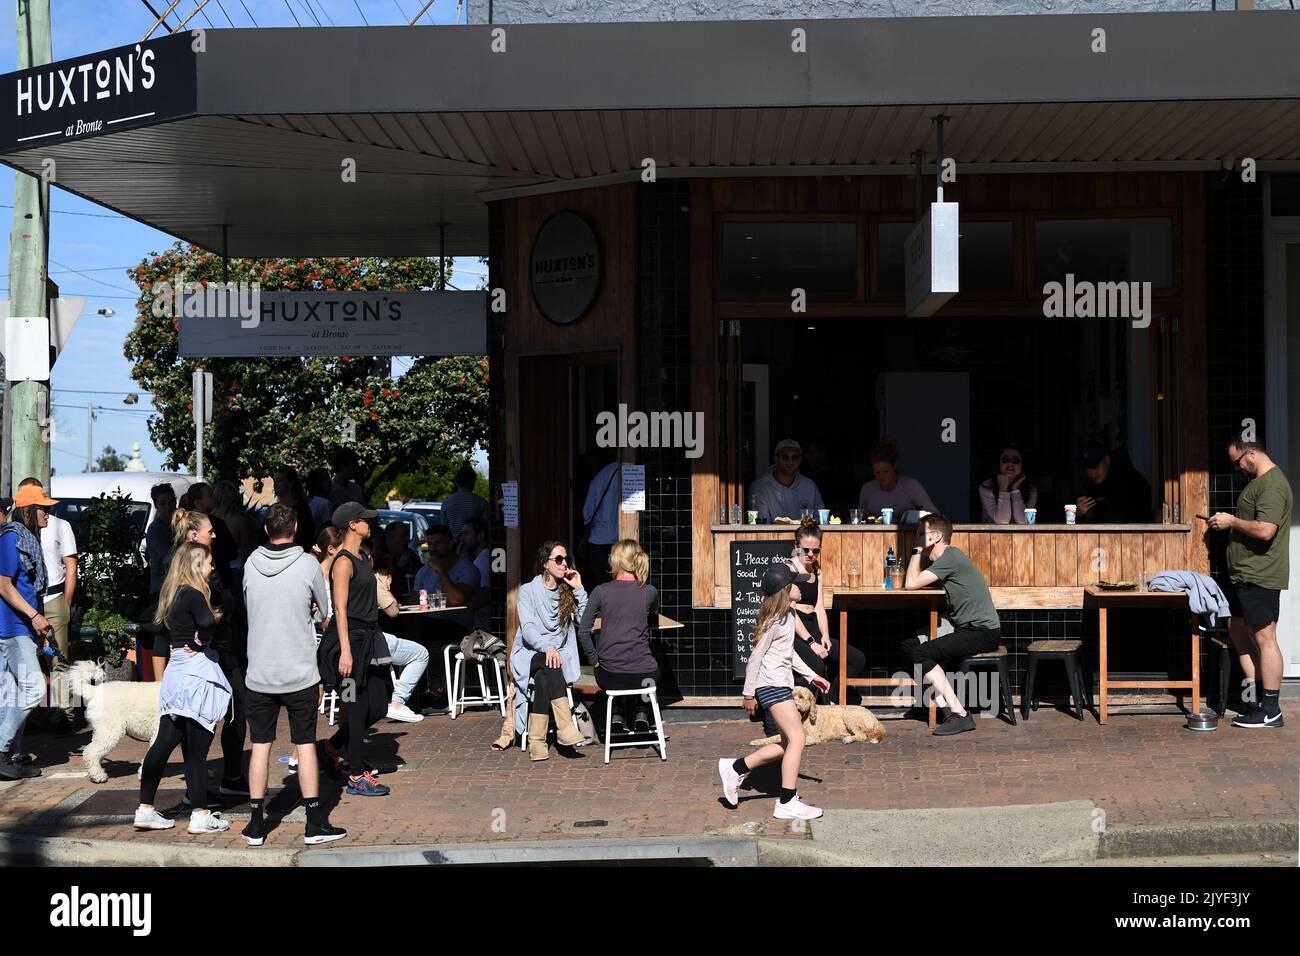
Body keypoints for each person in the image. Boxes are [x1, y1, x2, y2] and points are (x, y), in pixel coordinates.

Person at [240, 502, 346, 846]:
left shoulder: (250, 564)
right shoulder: (306, 564)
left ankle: (256, 823)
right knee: (304, 745)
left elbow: (248, 604)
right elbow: (324, 612)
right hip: (300, 671)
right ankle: (314, 822)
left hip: (259, 671)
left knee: (259, 746)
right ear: (296, 527)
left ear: (266, 529)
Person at [717, 562, 831, 821]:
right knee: (798, 739)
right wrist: (748, 694)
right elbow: (755, 658)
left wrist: (813, 676)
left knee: (788, 742)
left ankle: (735, 767)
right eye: (795, 583)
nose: (800, 587)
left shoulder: (788, 616)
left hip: (781, 684)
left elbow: (788, 654)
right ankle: (787, 801)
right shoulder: (774, 620)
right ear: (785, 589)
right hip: (770, 686)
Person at [132, 542, 233, 833]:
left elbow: (150, 625)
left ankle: (145, 808)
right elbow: (205, 621)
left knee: (164, 742)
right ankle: (201, 814)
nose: (213, 568)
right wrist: (202, 639)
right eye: (209, 562)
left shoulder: (172, 593)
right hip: (196, 673)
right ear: (197, 565)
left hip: (176, 672)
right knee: (196, 749)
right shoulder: (194, 593)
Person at [1208, 433, 1292, 729]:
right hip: (1244, 574)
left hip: (1260, 574)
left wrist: (1231, 521)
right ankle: (1256, 703)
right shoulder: (1258, 483)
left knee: (1265, 638)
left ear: (1251, 454)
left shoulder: (1271, 486)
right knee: (1238, 630)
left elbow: (1266, 530)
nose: (1237, 468)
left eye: (1237, 462)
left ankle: (1271, 710)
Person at [166, 506, 249, 797]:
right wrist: (201, 637)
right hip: (212, 650)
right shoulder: (197, 563)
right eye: (210, 531)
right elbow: (212, 607)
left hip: (214, 647)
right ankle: (211, 785)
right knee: (220, 713)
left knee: (208, 717)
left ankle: (211, 782)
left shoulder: (191, 560)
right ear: (194, 535)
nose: (214, 535)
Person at [317, 502, 393, 796]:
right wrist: (346, 651)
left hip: (368, 642)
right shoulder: (344, 561)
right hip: (346, 645)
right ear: (352, 525)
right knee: (356, 706)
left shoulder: (362, 558)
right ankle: (356, 775)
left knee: (378, 705)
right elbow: (339, 608)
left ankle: (333, 747)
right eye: (365, 521)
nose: (369, 524)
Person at [903, 513, 1002, 736]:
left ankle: (960, 713)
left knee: (921, 653)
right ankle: (945, 710)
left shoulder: (950, 557)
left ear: (936, 536)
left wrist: (917, 550)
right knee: (912, 645)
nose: (916, 537)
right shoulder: (947, 560)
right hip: (967, 628)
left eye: (921, 533)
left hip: (982, 632)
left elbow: (910, 583)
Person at [509, 541, 588, 761]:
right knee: (548, 660)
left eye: (566, 560)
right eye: (559, 559)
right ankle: (565, 726)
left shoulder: (567, 591)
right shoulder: (527, 591)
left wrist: (579, 588)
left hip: (556, 656)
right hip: (529, 654)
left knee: (545, 674)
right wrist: (548, 647)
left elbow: (584, 621)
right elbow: (529, 629)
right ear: (545, 564)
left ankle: (537, 741)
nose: (564, 564)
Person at [0, 485, 56, 780]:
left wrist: (40, 625)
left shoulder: (25, 539)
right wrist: (34, 616)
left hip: (22, 628)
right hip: (13, 628)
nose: (48, 513)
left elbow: (28, 589)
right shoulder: (12, 539)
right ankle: (2, 751)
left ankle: (11, 757)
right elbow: (4, 585)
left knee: (10, 696)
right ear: (27, 511)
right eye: (43, 508)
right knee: (34, 689)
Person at [578, 539, 660, 735]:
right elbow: (653, 615)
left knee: (621, 664)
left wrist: (594, 661)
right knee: (650, 660)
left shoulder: (600, 591)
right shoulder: (649, 591)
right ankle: (642, 712)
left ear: (615, 561)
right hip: (644, 676)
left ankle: (617, 714)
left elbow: (583, 631)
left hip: (609, 677)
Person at [18, 478, 78, 733]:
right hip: (26, 602)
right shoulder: (16, 530)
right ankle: (32, 716)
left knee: (58, 661)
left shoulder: (60, 525)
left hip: (53, 599)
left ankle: (64, 715)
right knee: (27, 661)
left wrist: (64, 603)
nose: (46, 510)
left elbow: (71, 566)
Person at [786, 519, 865, 711]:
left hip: (813, 624)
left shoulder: (817, 570)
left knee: (855, 658)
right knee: (817, 666)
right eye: (806, 550)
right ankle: (808, 713)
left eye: (816, 551)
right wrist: (811, 642)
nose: (811, 554)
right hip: (795, 629)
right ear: (797, 546)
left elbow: (819, 606)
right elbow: (791, 611)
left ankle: (831, 702)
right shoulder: (788, 569)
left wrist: (826, 637)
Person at [371, 551, 429, 724]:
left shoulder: (337, 577)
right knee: (421, 653)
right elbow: (393, 611)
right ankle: (397, 703)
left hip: (343, 641)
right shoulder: (372, 580)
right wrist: (383, 585)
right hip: (370, 639)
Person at [413, 524, 479, 637]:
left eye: (438, 543)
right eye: (430, 544)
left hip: (458, 629)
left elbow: (456, 600)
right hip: (428, 625)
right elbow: (415, 603)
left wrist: (441, 571)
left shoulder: (468, 569)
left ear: (450, 543)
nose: (433, 548)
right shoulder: (423, 572)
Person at [750, 439, 825, 523]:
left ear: (800, 460)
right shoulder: (760, 488)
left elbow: (821, 519)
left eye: (794, 457)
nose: (790, 461)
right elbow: (761, 524)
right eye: (785, 457)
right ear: (776, 459)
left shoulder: (810, 486)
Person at [1076, 442, 1153, 523]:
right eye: (1088, 468)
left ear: (1107, 460)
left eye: (1095, 466)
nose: (1092, 473)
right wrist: (1079, 514)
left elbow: (1120, 519)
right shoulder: (1089, 485)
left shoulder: (1129, 480)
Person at [858, 440, 937, 518]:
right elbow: (859, 516)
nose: (881, 476)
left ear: (894, 468)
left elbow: (934, 514)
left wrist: (911, 514)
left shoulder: (911, 486)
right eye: (877, 472)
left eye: (885, 471)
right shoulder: (867, 488)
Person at [580, 451, 620, 583]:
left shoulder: (600, 477)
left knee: (603, 583)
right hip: (621, 540)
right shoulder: (631, 471)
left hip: (599, 539)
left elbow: (587, 512)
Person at [979, 444, 1038, 524]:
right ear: (999, 464)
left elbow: (1023, 521)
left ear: (1022, 465)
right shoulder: (987, 487)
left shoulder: (1031, 490)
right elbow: (1002, 521)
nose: (1010, 463)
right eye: (1005, 459)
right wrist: (1003, 489)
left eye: (1015, 460)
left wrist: (1015, 491)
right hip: (991, 536)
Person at [440, 463, 489, 540]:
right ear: (473, 482)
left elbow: (444, 530)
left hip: (454, 547)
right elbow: (486, 527)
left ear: (456, 482)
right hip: (475, 546)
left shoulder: (446, 503)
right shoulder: (481, 502)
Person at [460, 516, 492, 633]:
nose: (462, 539)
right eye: (462, 534)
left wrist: (463, 611)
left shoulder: (482, 560)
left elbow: (484, 593)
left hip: (483, 623)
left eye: (467, 534)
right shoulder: (480, 558)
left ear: (480, 536)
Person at [273, 466, 317, 551]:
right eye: (274, 481)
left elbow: (307, 536)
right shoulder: (274, 509)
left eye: (279, 480)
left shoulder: (302, 509)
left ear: (290, 483)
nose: (275, 484)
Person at [145, 482, 177, 595]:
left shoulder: (177, 525)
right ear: (156, 505)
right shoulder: (155, 529)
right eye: (163, 503)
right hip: (161, 589)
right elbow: (170, 557)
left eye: (171, 502)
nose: (168, 506)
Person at [213, 479, 255, 562]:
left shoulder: (210, 519)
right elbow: (246, 549)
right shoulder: (240, 520)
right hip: (235, 565)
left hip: (216, 565)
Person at [306, 468, 335, 532]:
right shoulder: (324, 503)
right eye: (325, 479)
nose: (329, 482)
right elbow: (328, 528)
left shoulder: (307, 501)